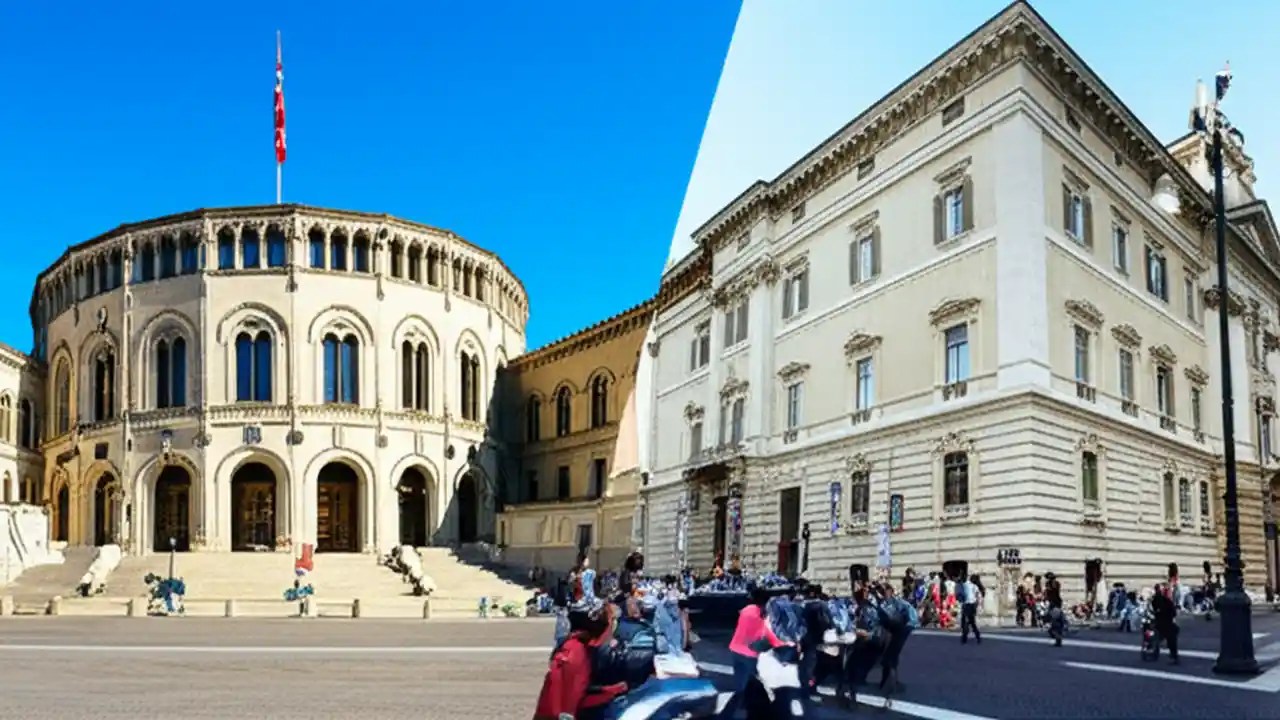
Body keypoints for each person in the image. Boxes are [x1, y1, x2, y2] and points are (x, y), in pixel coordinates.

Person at [534, 599, 628, 720]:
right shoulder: (576, 651)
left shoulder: (576, 647)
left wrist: (611, 690)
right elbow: (574, 693)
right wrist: (611, 691)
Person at [717, 587, 777, 718]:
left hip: (735, 648)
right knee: (751, 683)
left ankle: (736, 707)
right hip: (750, 653)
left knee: (739, 682)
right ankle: (744, 709)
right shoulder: (765, 614)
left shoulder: (746, 610)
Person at [1150, 582, 1180, 664]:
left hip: (1163, 623)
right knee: (1170, 641)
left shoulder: (1156, 600)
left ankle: (1156, 653)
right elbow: (1173, 613)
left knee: (1159, 639)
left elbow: (1154, 610)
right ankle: (1174, 656)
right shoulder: (1165, 600)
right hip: (1166, 623)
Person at [959, 574, 982, 644]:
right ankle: (977, 636)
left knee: (965, 621)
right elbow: (977, 596)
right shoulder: (975, 586)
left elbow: (961, 595)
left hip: (966, 605)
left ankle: (964, 638)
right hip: (972, 605)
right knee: (972, 622)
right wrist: (977, 605)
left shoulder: (964, 585)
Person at [1044, 572, 1064, 647]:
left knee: (1055, 622)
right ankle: (1057, 638)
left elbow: (1052, 592)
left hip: (1055, 604)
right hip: (1054, 604)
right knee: (1053, 621)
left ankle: (1057, 638)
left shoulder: (1054, 584)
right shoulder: (1052, 584)